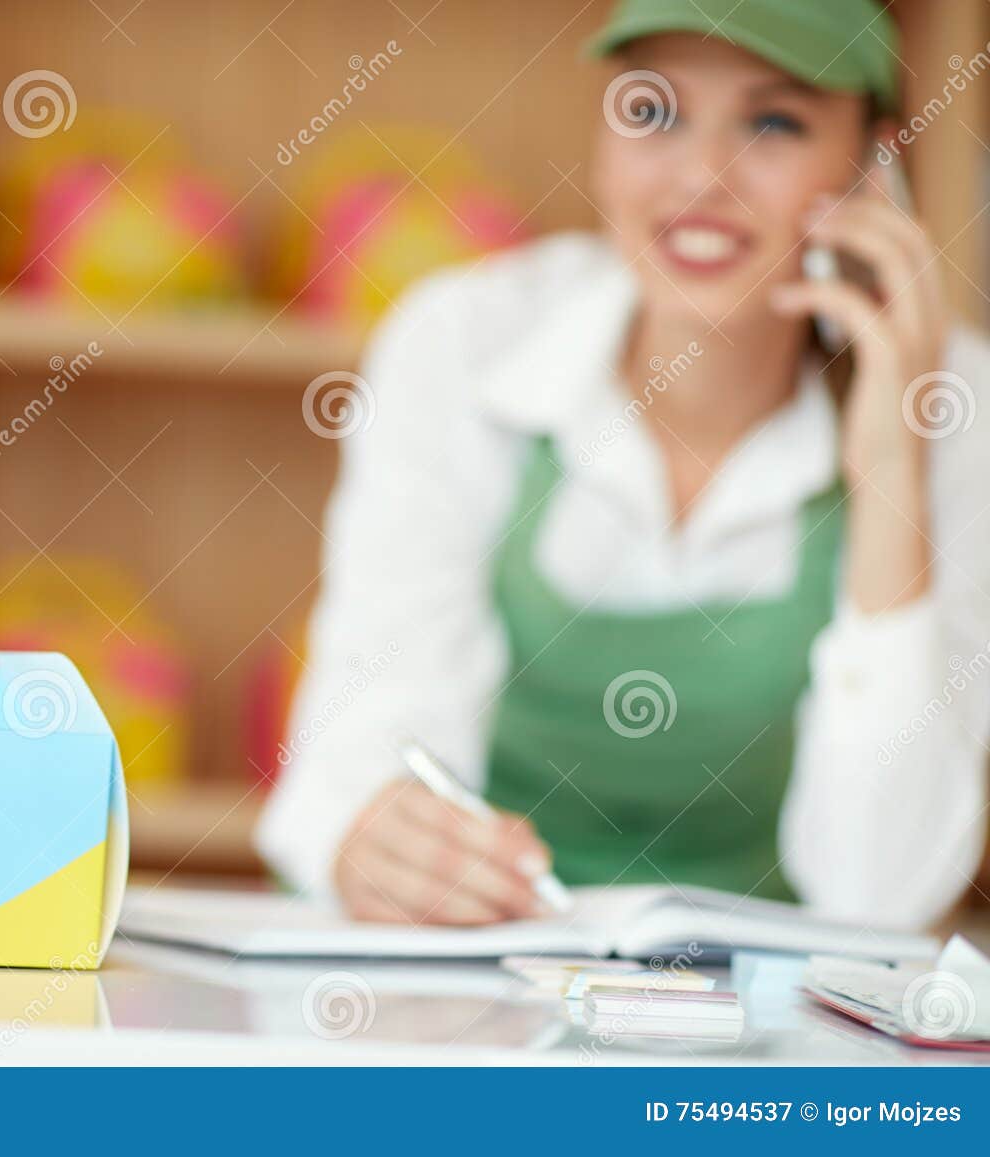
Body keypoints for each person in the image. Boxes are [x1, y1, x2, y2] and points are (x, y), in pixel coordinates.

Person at [256, 0, 990, 931]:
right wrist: (372, 835)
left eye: (774, 122)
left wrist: (892, 473)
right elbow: (357, 747)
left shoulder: (952, 407)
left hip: (755, 1005)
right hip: (476, 962)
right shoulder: (463, 341)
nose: (702, 177)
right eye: (653, 111)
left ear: (875, 170)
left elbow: (881, 894)